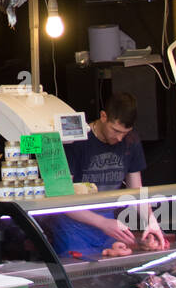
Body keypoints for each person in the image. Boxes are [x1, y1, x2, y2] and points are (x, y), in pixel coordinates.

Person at [47, 93, 164, 258]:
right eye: (115, 130)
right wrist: (102, 223)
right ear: (103, 116)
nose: (119, 137)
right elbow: (61, 198)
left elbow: (137, 190)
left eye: (125, 132)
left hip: (109, 224)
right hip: (72, 228)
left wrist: (151, 222)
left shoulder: (131, 141)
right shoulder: (77, 141)